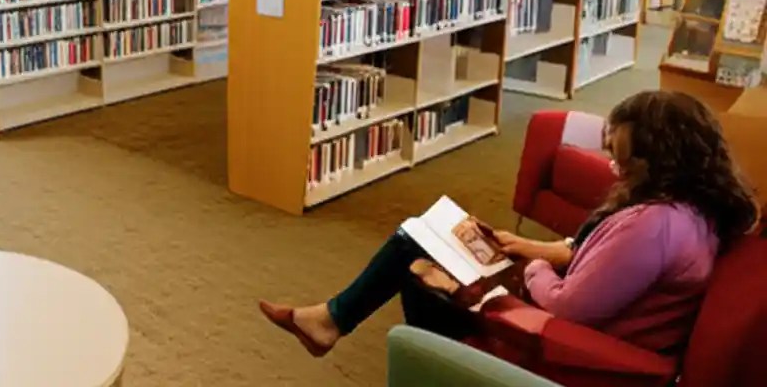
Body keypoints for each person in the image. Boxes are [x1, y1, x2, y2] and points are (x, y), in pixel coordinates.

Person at [260, 90, 759, 357]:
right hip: (582, 311)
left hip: (564, 338)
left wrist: (524, 274)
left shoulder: (656, 226)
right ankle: (330, 319)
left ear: (664, 159)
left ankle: (340, 325)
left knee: (416, 261)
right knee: (425, 235)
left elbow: (573, 307)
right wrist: (524, 246)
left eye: (626, 160)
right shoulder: (696, 207)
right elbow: (608, 264)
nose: (616, 169)